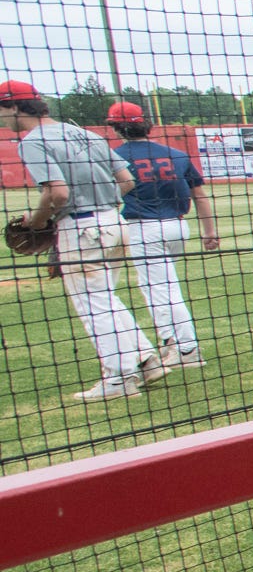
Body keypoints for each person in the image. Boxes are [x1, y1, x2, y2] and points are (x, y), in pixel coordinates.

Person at [5, 79, 165, 401]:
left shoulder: (33, 141)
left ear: (14, 107)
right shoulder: (83, 132)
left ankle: (119, 380)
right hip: (115, 223)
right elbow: (127, 181)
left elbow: (57, 192)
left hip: (82, 229)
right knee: (105, 298)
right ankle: (146, 359)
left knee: (94, 306)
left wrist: (37, 222)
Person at [108, 100, 217, 369]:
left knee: (163, 290)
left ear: (115, 128)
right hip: (178, 227)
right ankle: (171, 343)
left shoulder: (115, 156)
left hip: (145, 229)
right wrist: (210, 231)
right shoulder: (175, 154)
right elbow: (199, 196)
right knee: (155, 287)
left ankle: (187, 349)